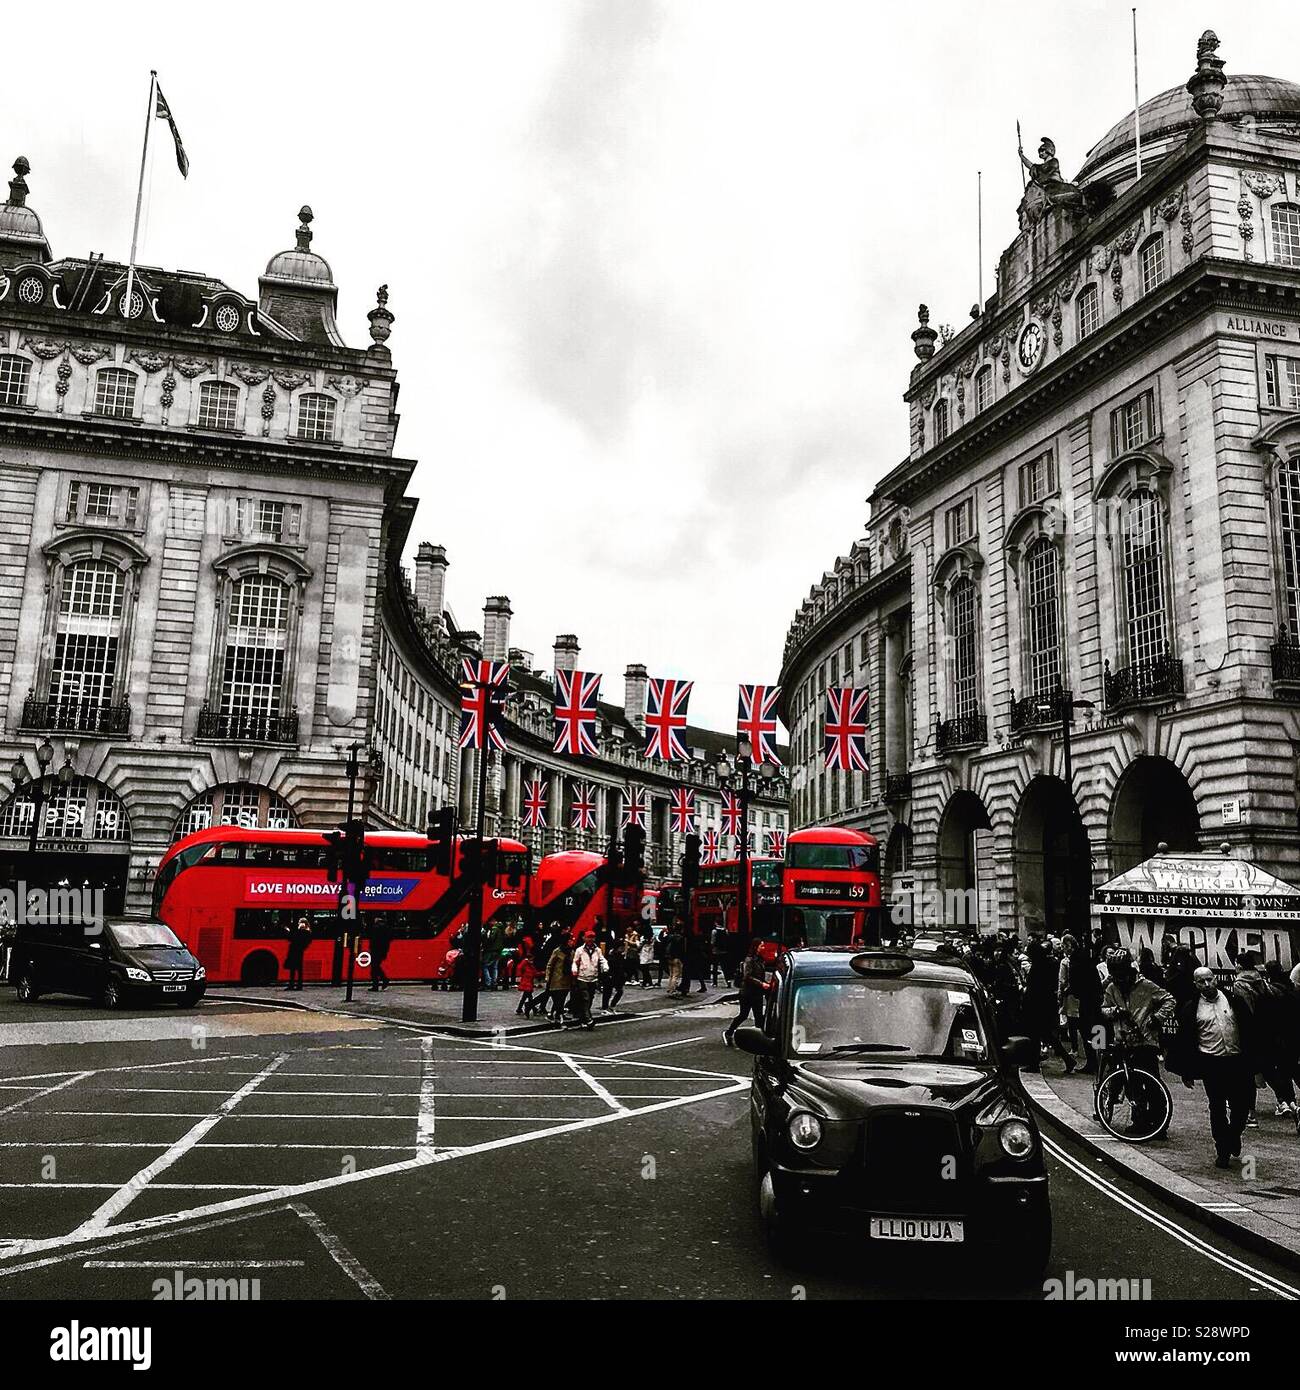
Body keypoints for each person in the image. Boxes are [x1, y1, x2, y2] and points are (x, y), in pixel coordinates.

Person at [1168, 967, 1258, 1168]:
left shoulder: (1234, 1000)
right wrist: (1187, 1072)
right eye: (1202, 982)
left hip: (1237, 1061)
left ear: (1215, 979)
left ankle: (1234, 1135)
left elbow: (1250, 1030)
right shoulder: (1191, 1008)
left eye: (1209, 980)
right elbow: (1185, 1041)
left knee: (1241, 1107)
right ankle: (1222, 1149)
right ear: (1196, 984)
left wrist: (1256, 1062)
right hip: (1212, 1063)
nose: (1207, 984)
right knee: (1217, 1107)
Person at [1100, 949, 1176, 1133]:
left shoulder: (1146, 986)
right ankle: (1139, 1120)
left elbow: (1170, 1000)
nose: (1120, 979)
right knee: (1132, 1085)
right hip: (1124, 1041)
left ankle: (1159, 1124)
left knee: (1152, 1084)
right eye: (1115, 975)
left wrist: (1157, 1018)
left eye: (1122, 974)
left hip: (1146, 1041)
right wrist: (1115, 1012)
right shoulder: (1111, 988)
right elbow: (1103, 1008)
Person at [1023, 939, 1074, 1073]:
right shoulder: (1048, 963)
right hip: (1046, 1004)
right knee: (1047, 1035)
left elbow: (1034, 988)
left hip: (1038, 1006)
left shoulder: (1038, 966)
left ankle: (1034, 1064)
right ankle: (1068, 1060)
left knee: (1036, 1035)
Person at [722, 942, 769, 1046]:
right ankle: (729, 1033)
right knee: (743, 1015)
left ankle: (759, 1040)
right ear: (756, 947)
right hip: (747, 993)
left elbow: (760, 975)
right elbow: (747, 976)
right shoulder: (749, 960)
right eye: (761, 945)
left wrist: (765, 984)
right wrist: (762, 984)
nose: (763, 947)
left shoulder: (760, 959)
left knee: (759, 1017)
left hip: (757, 992)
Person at [570, 929, 608, 1030]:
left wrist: (605, 966)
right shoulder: (580, 950)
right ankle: (588, 1019)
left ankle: (583, 1018)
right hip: (582, 977)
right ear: (584, 938)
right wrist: (574, 970)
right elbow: (575, 962)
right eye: (589, 937)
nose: (591, 939)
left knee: (590, 998)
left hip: (593, 978)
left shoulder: (598, 950)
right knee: (586, 998)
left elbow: (602, 959)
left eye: (592, 937)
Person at [541, 939, 572, 1023]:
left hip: (567, 978)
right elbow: (550, 964)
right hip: (557, 978)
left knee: (562, 998)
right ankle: (556, 1015)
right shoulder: (557, 951)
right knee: (557, 998)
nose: (572, 942)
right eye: (570, 940)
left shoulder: (572, 952)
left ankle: (556, 1014)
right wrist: (547, 976)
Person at [601, 933, 627, 1014]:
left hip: (618, 976)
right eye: (621, 947)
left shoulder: (620, 955)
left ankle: (612, 1006)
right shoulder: (612, 956)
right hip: (611, 976)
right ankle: (605, 1008)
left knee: (619, 991)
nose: (623, 949)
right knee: (607, 992)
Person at [284, 915, 312, 992]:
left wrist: (288, 931)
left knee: (294, 969)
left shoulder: (302, 932)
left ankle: (293, 985)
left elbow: (292, 938)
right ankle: (297, 985)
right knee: (297, 970)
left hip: (295, 952)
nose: (299, 924)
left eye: (300, 923)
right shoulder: (307, 932)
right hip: (298, 952)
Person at [515, 946, 540, 1017]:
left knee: (525, 997)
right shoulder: (526, 964)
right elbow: (533, 973)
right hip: (527, 984)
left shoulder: (528, 965)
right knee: (529, 997)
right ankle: (533, 1009)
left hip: (527, 984)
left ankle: (520, 1009)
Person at [367, 917, 391, 992]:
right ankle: (383, 981)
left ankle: (379, 983)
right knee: (375, 967)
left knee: (374, 967)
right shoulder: (386, 927)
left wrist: (371, 948)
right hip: (382, 950)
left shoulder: (376, 927)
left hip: (376, 950)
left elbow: (373, 940)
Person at [663, 926, 686, 996]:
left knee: (671, 974)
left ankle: (669, 988)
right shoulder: (680, 938)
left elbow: (662, 941)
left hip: (669, 957)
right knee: (676, 975)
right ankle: (672, 990)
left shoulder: (669, 937)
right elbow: (682, 949)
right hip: (676, 957)